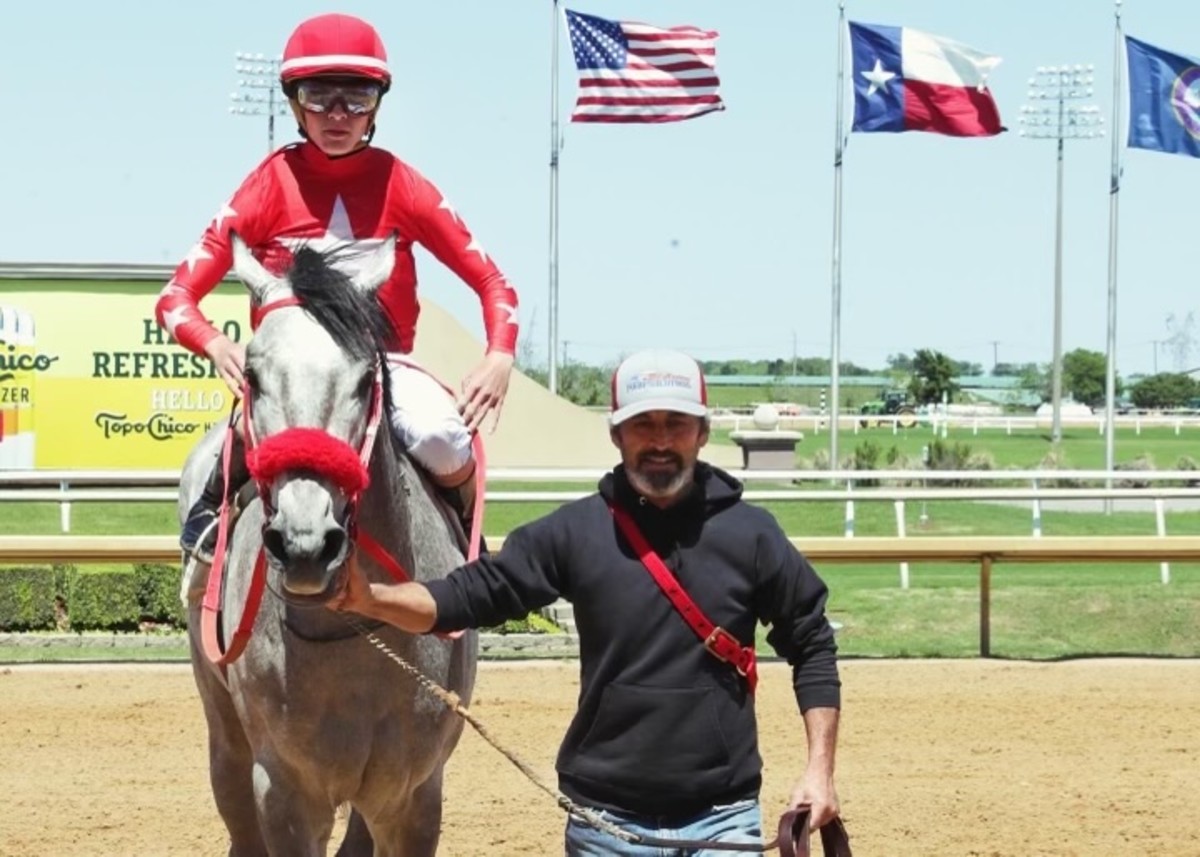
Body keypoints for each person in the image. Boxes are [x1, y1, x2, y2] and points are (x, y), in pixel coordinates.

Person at [329, 348, 842, 855]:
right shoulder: (575, 533)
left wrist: (820, 773)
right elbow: (465, 596)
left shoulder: (752, 536)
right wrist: (368, 597)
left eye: (676, 424)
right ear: (616, 434)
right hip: (604, 824)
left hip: (722, 820)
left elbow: (812, 642)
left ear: (702, 433)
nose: (660, 441)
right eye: (643, 425)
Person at [156, 12, 518, 561]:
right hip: (287, 377)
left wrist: (499, 356)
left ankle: (469, 548)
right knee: (211, 465)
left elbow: (493, 282)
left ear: (379, 104)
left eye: (358, 97)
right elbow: (175, 299)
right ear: (295, 102)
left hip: (381, 366)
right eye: (319, 95)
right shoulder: (265, 187)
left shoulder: (407, 186)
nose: (338, 114)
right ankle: (208, 566)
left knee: (443, 439)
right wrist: (218, 344)